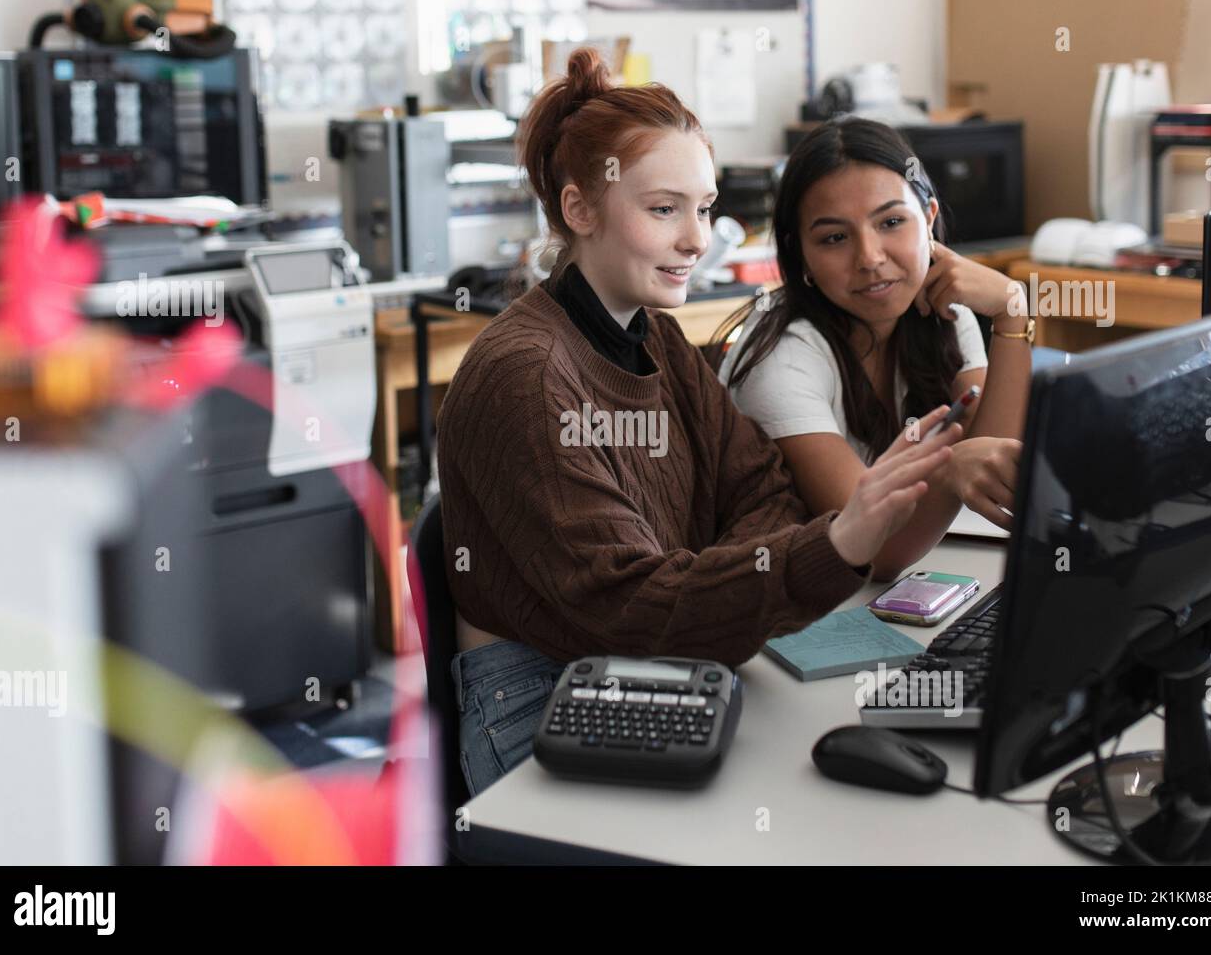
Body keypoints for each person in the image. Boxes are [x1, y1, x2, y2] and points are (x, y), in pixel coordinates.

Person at [435, 51, 962, 796]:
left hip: (668, 658)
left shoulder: (653, 335)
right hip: (544, 701)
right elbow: (624, 608)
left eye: (706, 207)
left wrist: (707, 591)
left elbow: (764, 493)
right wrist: (830, 546)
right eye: (664, 209)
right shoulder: (528, 376)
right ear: (581, 210)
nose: (698, 240)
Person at [717, 118, 1032, 580]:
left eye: (891, 222)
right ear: (800, 253)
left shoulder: (943, 313)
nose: (869, 257)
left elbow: (994, 458)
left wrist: (1012, 314)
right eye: (834, 238)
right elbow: (872, 552)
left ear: (928, 219)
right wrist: (948, 472)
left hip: (884, 590)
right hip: (777, 612)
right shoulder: (781, 359)